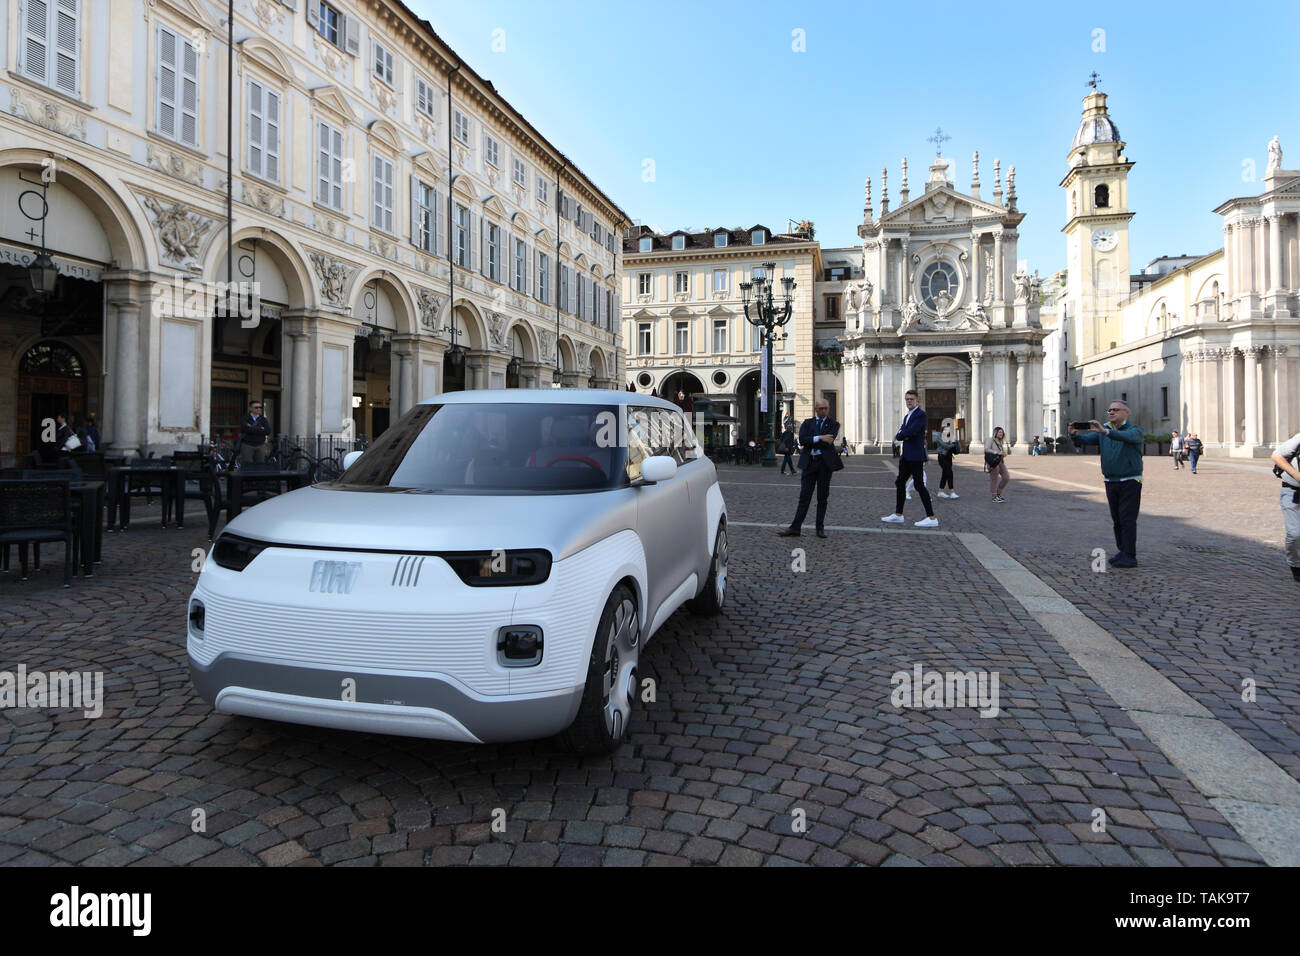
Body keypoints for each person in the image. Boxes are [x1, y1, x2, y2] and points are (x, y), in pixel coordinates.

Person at [1069, 400, 1144, 568]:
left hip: (1130, 481)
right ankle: (1122, 551)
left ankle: (1130, 555)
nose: (1111, 412)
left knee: (1127, 519)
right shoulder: (1103, 431)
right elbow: (1084, 440)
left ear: (1126, 413)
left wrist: (1106, 432)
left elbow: (1128, 437)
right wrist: (1074, 434)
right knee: (1117, 519)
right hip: (1111, 481)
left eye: (1115, 410)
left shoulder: (1135, 430)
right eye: (1109, 410)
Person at [778, 398, 844, 538]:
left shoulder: (834, 424)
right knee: (804, 497)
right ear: (815, 409)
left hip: (824, 464)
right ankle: (795, 528)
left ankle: (819, 528)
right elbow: (802, 440)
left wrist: (813, 439)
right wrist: (820, 437)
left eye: (826, 408)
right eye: (821, 408)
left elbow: (829, 442)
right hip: (809, 463)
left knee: (822, 497)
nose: (824, 411)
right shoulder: (808, 423)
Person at [882, 390, 938, 527]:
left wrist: (903, 434)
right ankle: (898, 514)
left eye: (911, 399)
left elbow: (910, 432)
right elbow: (901, 432)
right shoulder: (908, 416)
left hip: (916, 456)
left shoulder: (921, 415)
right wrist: (903, 434)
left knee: (919, 485)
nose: (908, 401)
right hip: (906, 455)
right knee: (900, 482)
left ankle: (931, 518)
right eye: (907, 399)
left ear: (917, 400)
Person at [1270, 431, 1300, 582]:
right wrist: (1296, 475)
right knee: (1295, 533)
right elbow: (1276, 456)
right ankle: (1295, 564)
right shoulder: (1299, 438)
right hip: (1293, 492)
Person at [985, 427, 1010, 502]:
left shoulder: (1000, 441)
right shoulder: (990, 440)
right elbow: (986, 449)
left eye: (1002, 432)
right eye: (999, 432)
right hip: (992, 462)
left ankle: (998, 493)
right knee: (994, 479)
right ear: (995, 432)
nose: (1001, 434)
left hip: (1000, 461)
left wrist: (1003, 454)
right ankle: (994, 496)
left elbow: (1000, 452)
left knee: (1006, 477)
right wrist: (997, 452)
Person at [936, 433, 959, 499]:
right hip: (942, 457)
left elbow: (957, 449)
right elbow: (945, 446)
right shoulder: (939, 436)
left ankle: (940, 491)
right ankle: (952, 492)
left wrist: (956, 441)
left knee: (945, 474)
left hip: (949, 457)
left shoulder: (951, 436)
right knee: (949, 473)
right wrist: (952, 443)